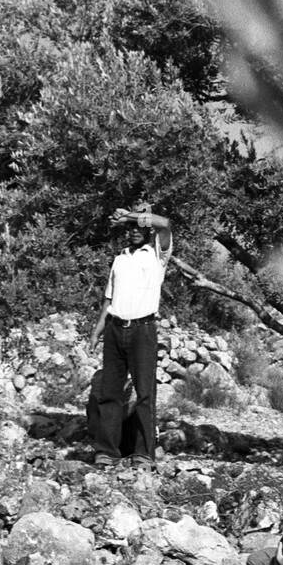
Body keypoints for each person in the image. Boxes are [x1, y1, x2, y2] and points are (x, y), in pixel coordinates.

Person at [88, 200, 172, 469]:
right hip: (115, 328)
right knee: (110, 391)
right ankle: (107, 451)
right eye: (130, 227)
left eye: (139, 226)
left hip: (143, 330)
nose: (134, 230)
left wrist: (129, 215)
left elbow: (165, 224)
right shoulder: (120, 258)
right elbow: (108, 298)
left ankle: (143, 453)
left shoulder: (157, 254)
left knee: (145, 393)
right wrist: (97, 330)